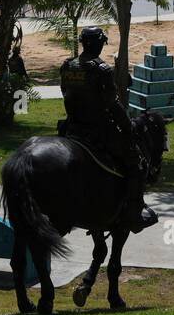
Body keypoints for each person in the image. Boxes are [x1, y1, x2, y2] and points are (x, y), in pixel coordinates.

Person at [59, 26, 156, 232]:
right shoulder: (101, 69)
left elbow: (65, 92)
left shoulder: (68, 66)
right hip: (98, 130)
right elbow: (112, 103)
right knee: (136, 163)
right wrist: (127, 125)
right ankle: (134, 211)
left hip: (72, 128)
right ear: (97, 44)